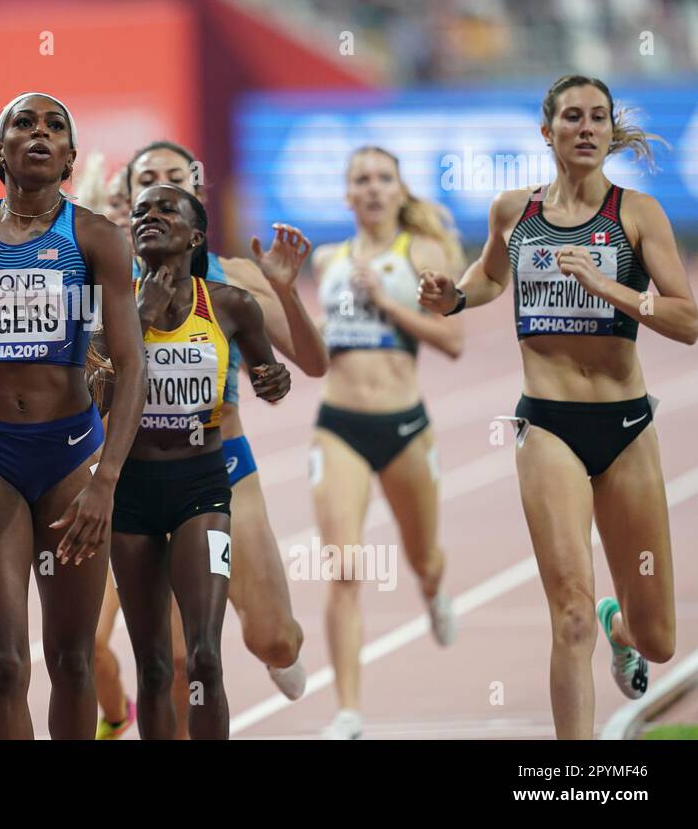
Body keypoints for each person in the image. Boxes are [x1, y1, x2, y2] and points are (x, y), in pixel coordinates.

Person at [419, 75, 695, 739]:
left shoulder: (638, 214)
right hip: (547, 426)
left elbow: (688, 320)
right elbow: (487, 276)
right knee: (568, 614)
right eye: (573, 117)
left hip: (625, 426)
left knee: (658, 638)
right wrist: (450, 298)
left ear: (608, 131)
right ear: (549, 132)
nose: (588, 127)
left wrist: (610, 288)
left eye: (599, 117)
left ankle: (620, 627)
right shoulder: (514, 212)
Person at [0, 92, 146, 739]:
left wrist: (107, 481)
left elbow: (131, 368)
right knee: (4, 666)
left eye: (55, 127)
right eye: (23, 123)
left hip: (72, 456)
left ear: (71, 157)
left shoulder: (98, 239)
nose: (39, 133)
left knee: (72, 659)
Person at [94, 140, 326, 739]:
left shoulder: (234, 281)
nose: (163, 190)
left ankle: (280, 647)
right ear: (129, 201)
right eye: (149, 181)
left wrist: (287, 290)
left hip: (222, 467)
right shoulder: (110, 282)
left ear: (196, 196)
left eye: (178, 179)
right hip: (140, 474)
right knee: (177, 661)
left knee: (272, 637)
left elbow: (311, 362)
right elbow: (86, 380)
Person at [309, 145, 466, 739]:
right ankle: (348, 710)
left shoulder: (420, 255)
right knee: (344, 567)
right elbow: (320, 348)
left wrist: (386, 304)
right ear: (347, 195)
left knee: (422, 557)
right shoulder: (328, 260)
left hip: (404, 427)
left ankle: (434, 591)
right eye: (361, 180)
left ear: (400, 191)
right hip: (339, 427)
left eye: (383, 179)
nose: (372, 189)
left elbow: (452, 342)